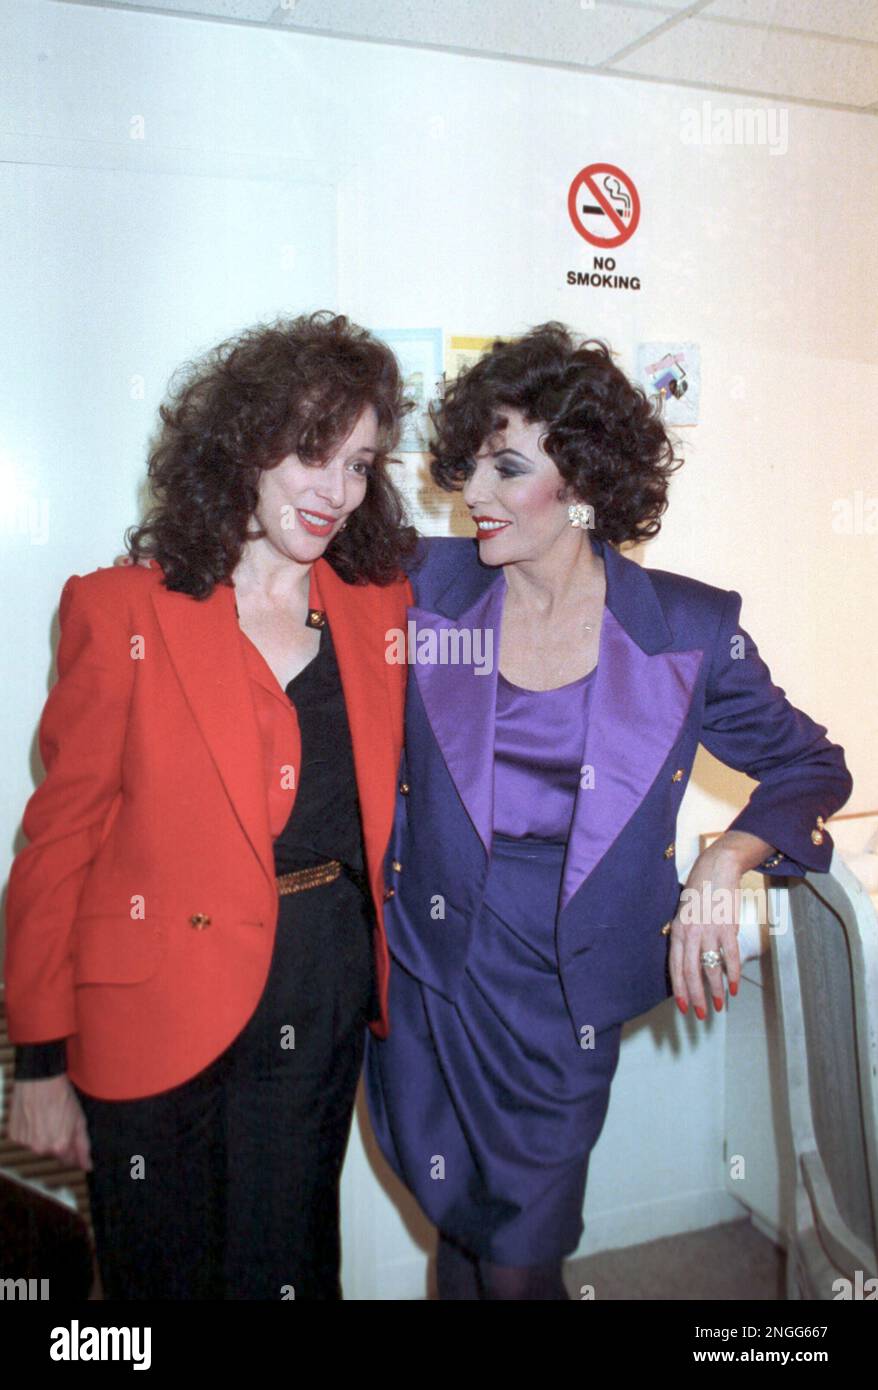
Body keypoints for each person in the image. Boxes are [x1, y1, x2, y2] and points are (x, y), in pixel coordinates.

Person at [364, 321, 854, 1301]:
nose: (476, 494)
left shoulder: (682, 627)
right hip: (430, 976)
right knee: (458, 1234)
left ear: (580, 476)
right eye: (471, 465)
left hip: (560, 1003)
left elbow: (811, 765)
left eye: (508, 468)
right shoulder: (425, 589)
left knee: (518, 1257)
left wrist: (721, 865)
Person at [5, 310, 416, 1299]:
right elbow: (56, 841)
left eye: (359, 463)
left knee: (285, 1268)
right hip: (148, 990)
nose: (335, 489)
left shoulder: (380, 604)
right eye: (312, 448)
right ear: (242, 440)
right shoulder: (120, 607)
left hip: (314, 979)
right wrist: (40, 1059)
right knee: (159, 1275)